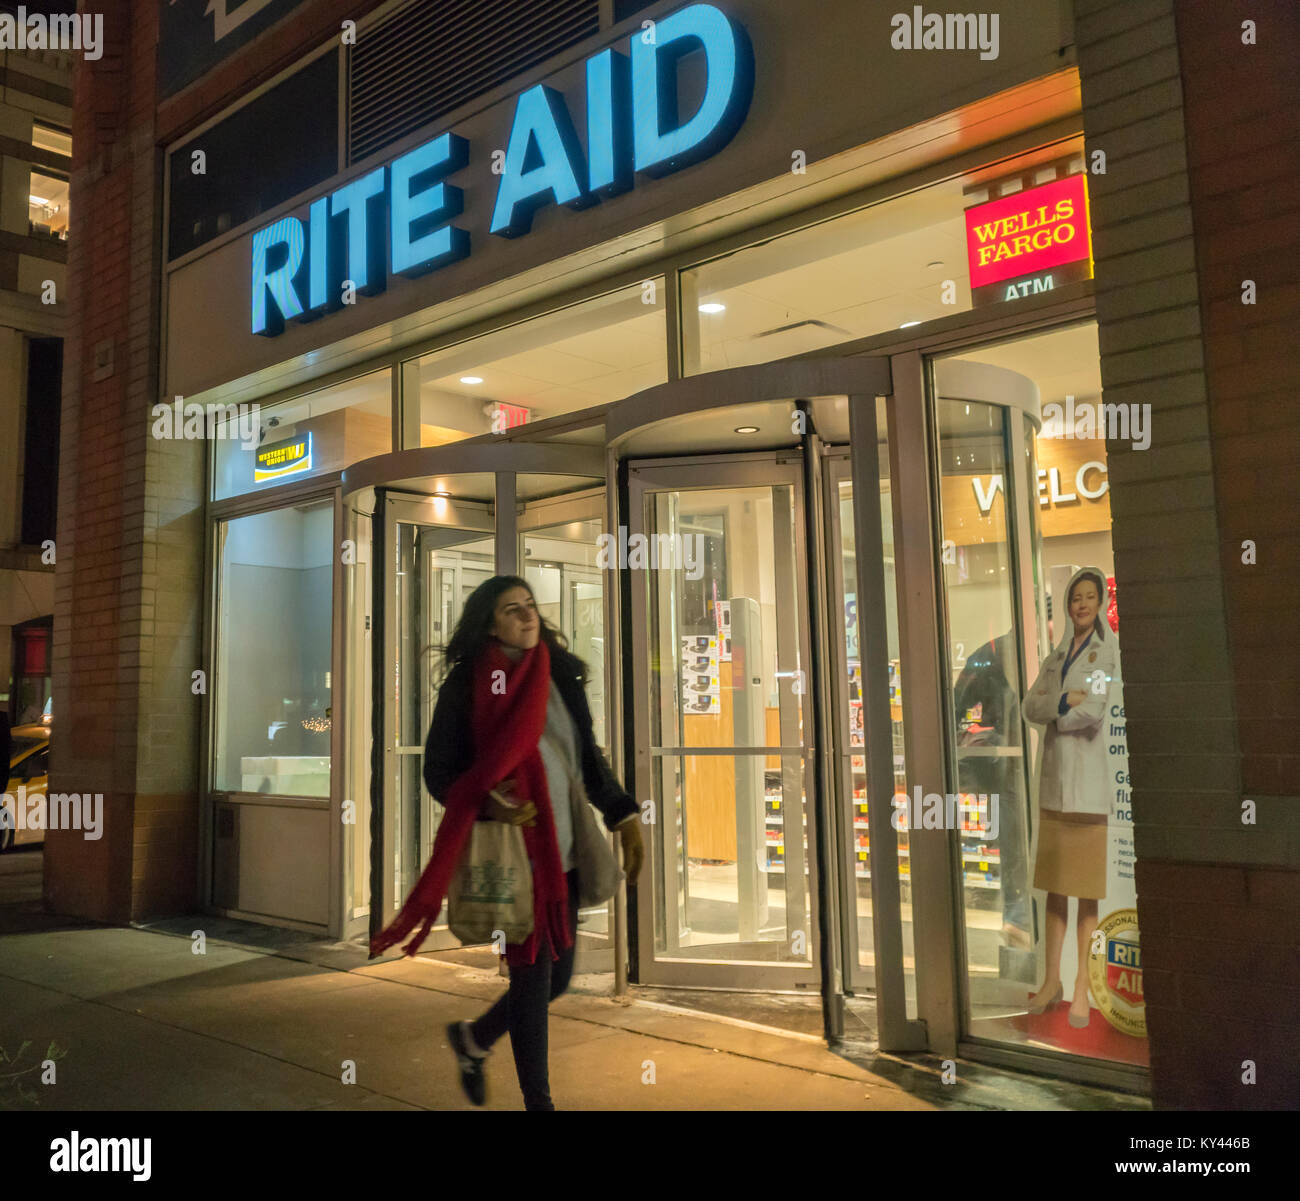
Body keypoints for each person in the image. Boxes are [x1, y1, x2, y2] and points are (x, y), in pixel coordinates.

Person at [370, 575, 644, 1110]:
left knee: (556, 979)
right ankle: (538, 1103)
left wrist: (622, 813)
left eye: (530, 606)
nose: (526, 616)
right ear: (489, 623)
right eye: (511, 609)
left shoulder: (560, 675)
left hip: (560, 849)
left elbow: (586, 759)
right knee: (531, 983)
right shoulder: (469, 685)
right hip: (517, 857)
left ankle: (472, 1041)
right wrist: (490, 801)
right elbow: (440, 772)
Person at [1022, 567, 1117, 1028]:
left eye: (1089, 596)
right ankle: (1051, 980)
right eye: (1075, 597)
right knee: (1055, 889)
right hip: (1055, 787)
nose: (1081, 604)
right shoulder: (1058, 653)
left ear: (1099, 602)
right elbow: (1030, 706)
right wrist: (1063, 701)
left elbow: (1095, 711)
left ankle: (1081, 983)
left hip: (1088, 793)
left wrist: (1058, 707)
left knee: (1086, 895)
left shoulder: (1106, 652)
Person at [952, 630, 1031, 948]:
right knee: (1016, 843)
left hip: (1018, 765)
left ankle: (1020, 918)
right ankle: (1019, 919)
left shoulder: (995, 652)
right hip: (1010, 767)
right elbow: (956, 707)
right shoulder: (992, 654)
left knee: (1018, 844)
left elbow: (956, 707)